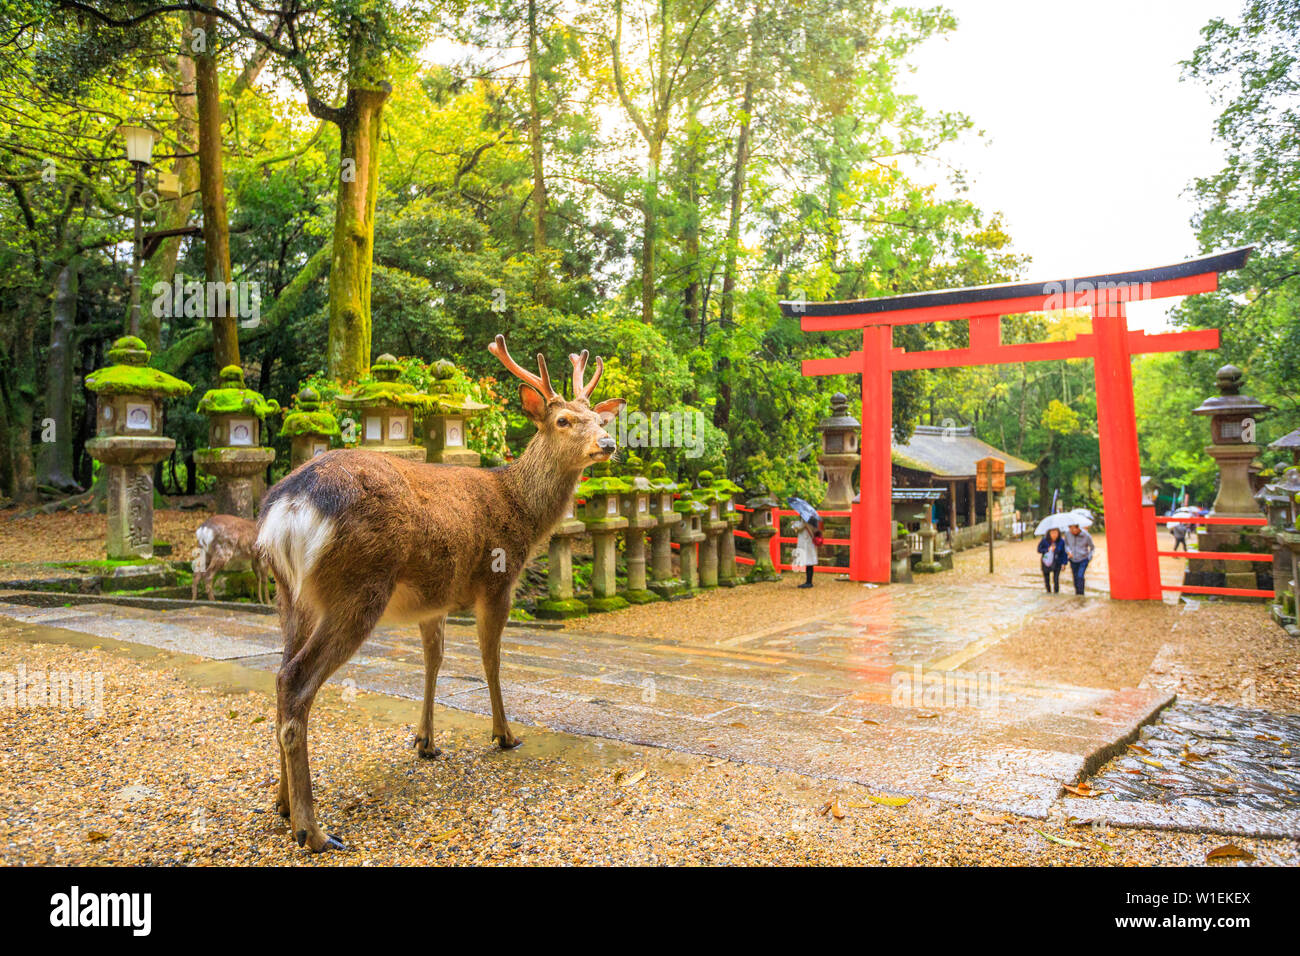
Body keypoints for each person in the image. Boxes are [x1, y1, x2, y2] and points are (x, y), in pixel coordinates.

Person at [1062, 522, 1095, 595]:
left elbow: (1092, 548)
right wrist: (1068, 551)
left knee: (1080, 576)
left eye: (1073, 529)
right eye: (1070, 529)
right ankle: (1077, 594)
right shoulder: (1067, 534)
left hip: (1083, 559)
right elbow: (1066, 545)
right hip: (1073, 559)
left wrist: (1089, 557)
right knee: (1075, 578)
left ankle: (1081, 594)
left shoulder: (1086, 535)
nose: (1072, 531)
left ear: (1078, 528)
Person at [791, 515, 823, 588]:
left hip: (806, 542)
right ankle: (809, 581)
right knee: (810, 563)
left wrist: (793, 524)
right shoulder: (813, 518)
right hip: (810, 541)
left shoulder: (805, 518)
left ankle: (809, 582)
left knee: (808, 562)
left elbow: (800, 526)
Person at [1037, 527, 1067, 592]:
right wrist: (1047, 549)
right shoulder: (1044, 540)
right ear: (1049, 533)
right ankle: (1048, 593)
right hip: (1046, 562)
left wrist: (1064, 563)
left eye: (1056, 532)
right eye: (1052, 533)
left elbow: (1064, 553)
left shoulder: (1061, 541)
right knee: (1047, 580)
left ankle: (1056, 596)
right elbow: (1039, 550)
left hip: (1057, 562)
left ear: (1058, 533)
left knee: (1056, 580)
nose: (1054, 534)